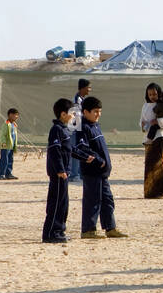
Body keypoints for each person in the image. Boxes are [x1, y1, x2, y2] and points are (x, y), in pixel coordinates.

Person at [74, 96, 127, 239]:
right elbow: (81, 147)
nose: (98, 114)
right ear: (85, 112)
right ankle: (88, 230)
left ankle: (110, 228)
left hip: (102, 174)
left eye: (100, 111)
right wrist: (98, 160)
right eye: (95, 111)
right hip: (92, 172)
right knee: (92, 201)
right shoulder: (82, 128)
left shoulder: (96, 126)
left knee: (108, 200)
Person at [42, 99, 74, 244]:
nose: (74, 116)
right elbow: (55, 151)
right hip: (58, 174)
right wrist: (60, 169)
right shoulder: (56, 130)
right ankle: (51, 233)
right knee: (56, 203)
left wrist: (87, 157)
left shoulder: (64, 129)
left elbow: (69, 150)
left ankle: (59, 231)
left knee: (64, 204)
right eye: (71, 113)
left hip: (64, 173)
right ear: (63, 114)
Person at [68, 79, 90, 183]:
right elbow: (77, 117)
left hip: (80, 129)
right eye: (88, 87)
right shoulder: (76, 100)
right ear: (82, 88)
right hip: (75, 130)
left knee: (82, 151)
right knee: (75, 152)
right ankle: (73, 175)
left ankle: (81, 173)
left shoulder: (82, 99)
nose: (90, 89)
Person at [0, 108, 19, 179]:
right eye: (15, 115)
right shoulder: (6, 124)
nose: (16, 117)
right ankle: (0, 175)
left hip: (11, 146)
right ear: (10, 115)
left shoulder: (14, 125)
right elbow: (2, 135)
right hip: (6, 146)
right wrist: (3, 143)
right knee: (4, 160)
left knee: (10, 160)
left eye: (17, 115)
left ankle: (8, 174)